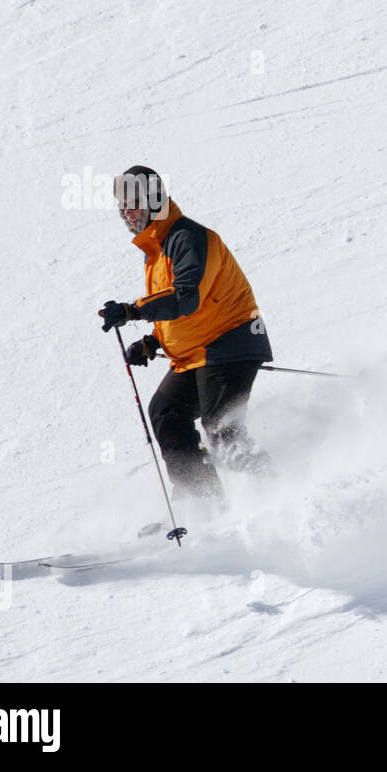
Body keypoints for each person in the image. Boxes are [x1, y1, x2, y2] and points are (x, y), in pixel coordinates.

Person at [99, 166, 273, 514]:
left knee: (222, 432)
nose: (126, 213)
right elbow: (188, 312)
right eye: (121, 207)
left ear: (154, 200)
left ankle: (281, 492)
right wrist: (154, 342)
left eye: (133, 203)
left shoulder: (189, 237)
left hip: (229, 345)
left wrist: (133, 311)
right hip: (198, 352)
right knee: (165, 413)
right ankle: (203, 504)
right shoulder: (157, 247)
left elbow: (186, 297)